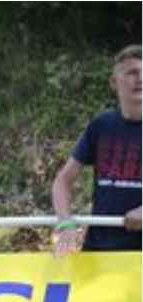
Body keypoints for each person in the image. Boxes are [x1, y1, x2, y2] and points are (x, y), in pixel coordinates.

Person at [52, 45, 142, 255]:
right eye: (132, 72)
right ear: (113, 82)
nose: (139, 78)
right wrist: (65, 224)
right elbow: (62, 181)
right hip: (99, 248)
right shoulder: (101, 125)